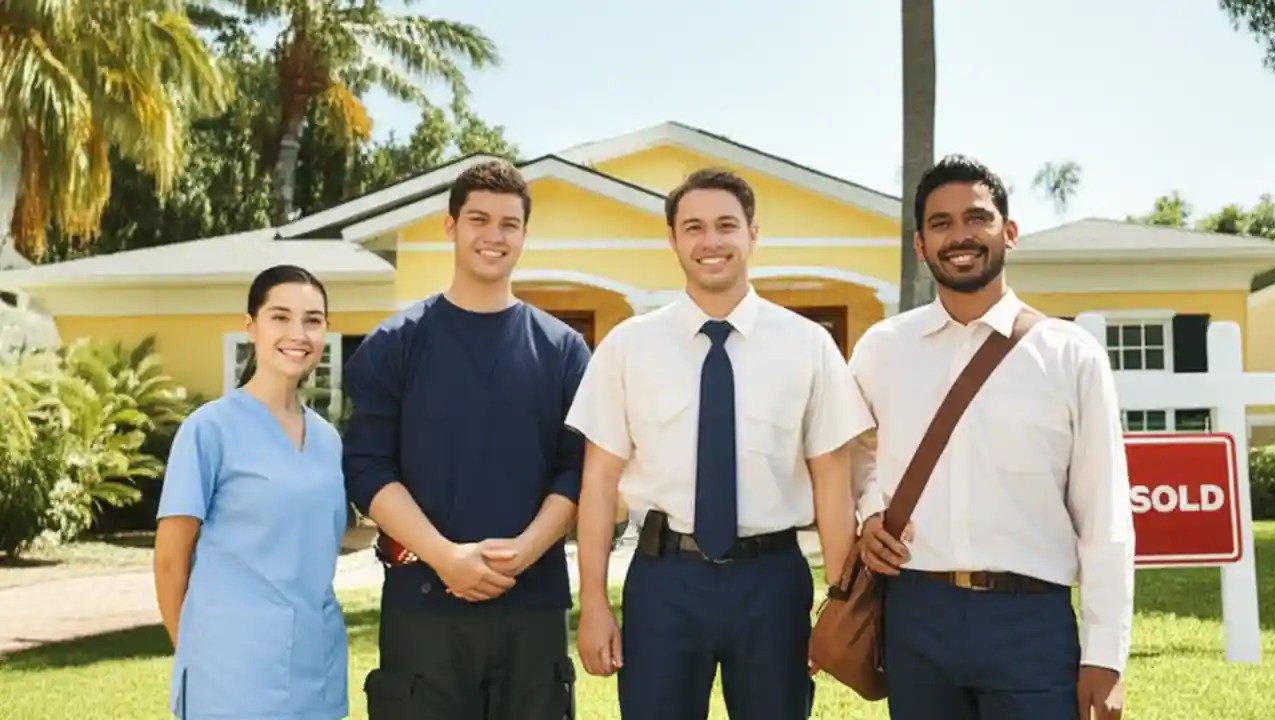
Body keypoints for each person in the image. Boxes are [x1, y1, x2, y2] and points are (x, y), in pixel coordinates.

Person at [568, 167, 869, 719]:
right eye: (694, 228)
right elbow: (598, 480)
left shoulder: (808, 345)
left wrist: (840, 606)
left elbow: (832, 481)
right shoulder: (627, 347)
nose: (711, 242)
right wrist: (593, 602)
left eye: (726, 225)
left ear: (753, 233)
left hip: (772, 583)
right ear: (673, 239)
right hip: (664, 582)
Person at [851, 154, 1132, 720]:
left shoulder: (1070, 354)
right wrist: (866, 515)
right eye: (941, 223)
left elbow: (1105, 514)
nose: (960, 236)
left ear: (1008, 232)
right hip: (916, 614)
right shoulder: (881, 349)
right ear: (920, 246)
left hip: (1031, 620)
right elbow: (853, 456)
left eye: (976, 218)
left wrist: (1106, 654)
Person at [342, 159, 591, 719]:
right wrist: (445, 557)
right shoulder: (395, 344)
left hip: (534, 609)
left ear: (525, 234)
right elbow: (367, 468)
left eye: (509, 223)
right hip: (423, 609)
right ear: (450, 226)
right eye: (478, 219)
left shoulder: (564, 351)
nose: (494, 236)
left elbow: (577, 471)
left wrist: (526, 552)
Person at [153, 265, 349, 720]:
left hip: (315, 668)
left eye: (313, 320)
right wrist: (197, 654)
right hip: (230, 675)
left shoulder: (327, 440)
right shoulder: (209, 429)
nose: (297, 333)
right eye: (280, 317)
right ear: (251, 327)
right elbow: (169, 560)